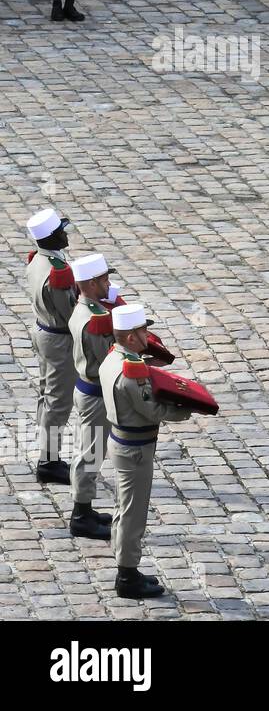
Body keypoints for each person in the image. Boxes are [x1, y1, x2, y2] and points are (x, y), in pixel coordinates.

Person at [100, 303, 194, 598]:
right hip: (135, 449)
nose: (147, 335)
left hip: (121, 442)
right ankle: (127, 576)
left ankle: (125, 566)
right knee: (133, 514)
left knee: (123, 508)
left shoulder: (114, 358)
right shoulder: (131, 372)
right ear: (130, 338)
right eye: (142, 331)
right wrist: (186, 407)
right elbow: (152, 410)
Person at [25, 207, 77, 484]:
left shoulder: (38, 261)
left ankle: (47, 453)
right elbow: (70, 313)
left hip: (43, 331)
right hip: (59, 339)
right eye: (62, 231)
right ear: (52, 238)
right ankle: (49, 461)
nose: (66, 235)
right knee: (58, 401)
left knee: (47, 396)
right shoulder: (57, 273)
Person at [67, 253, 116, 541]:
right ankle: (81, 516)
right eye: (105, 279)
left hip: (87, 389)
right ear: (92, 283)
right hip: (96, 393)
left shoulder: (86, 309)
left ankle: (85, 508)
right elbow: (105, 360)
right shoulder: (94, 321)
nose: (108, 283)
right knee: (90, 455)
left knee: (90, 452)